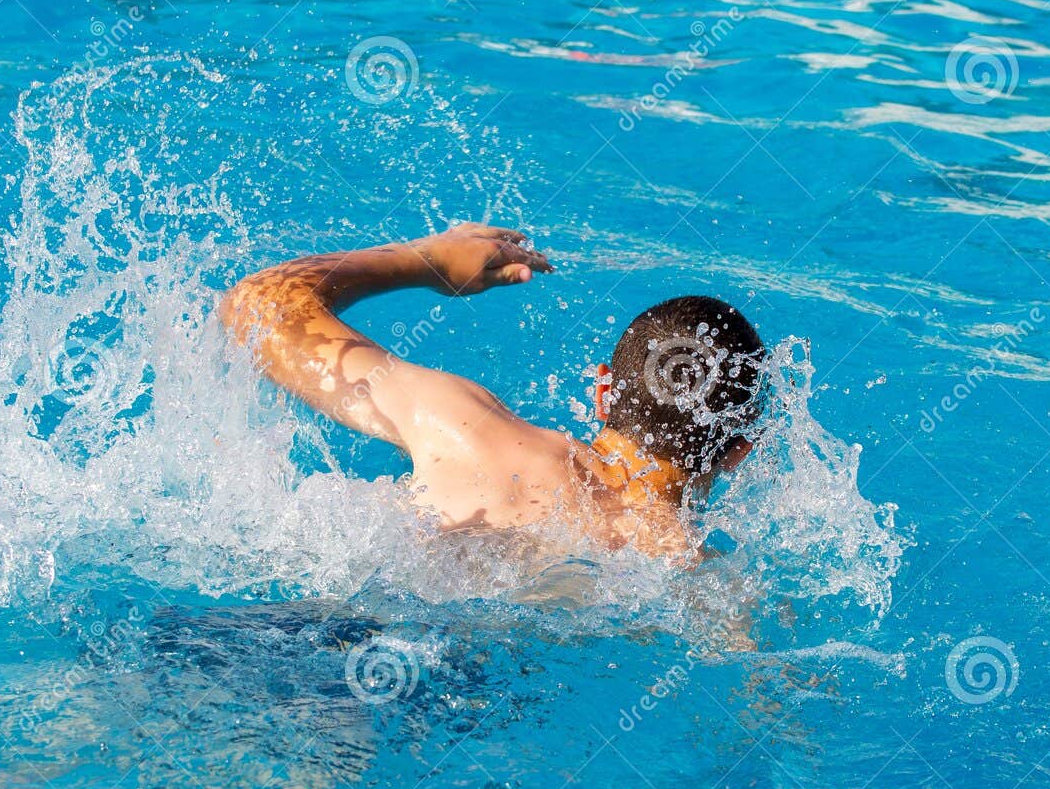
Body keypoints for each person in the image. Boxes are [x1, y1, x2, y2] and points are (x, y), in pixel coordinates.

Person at [220, 223, 768, 558]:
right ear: (739, 450)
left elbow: (259, 307)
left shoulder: (467, 427)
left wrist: (424, 261)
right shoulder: (692, 575)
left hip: (305, 635)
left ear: (603, 390)